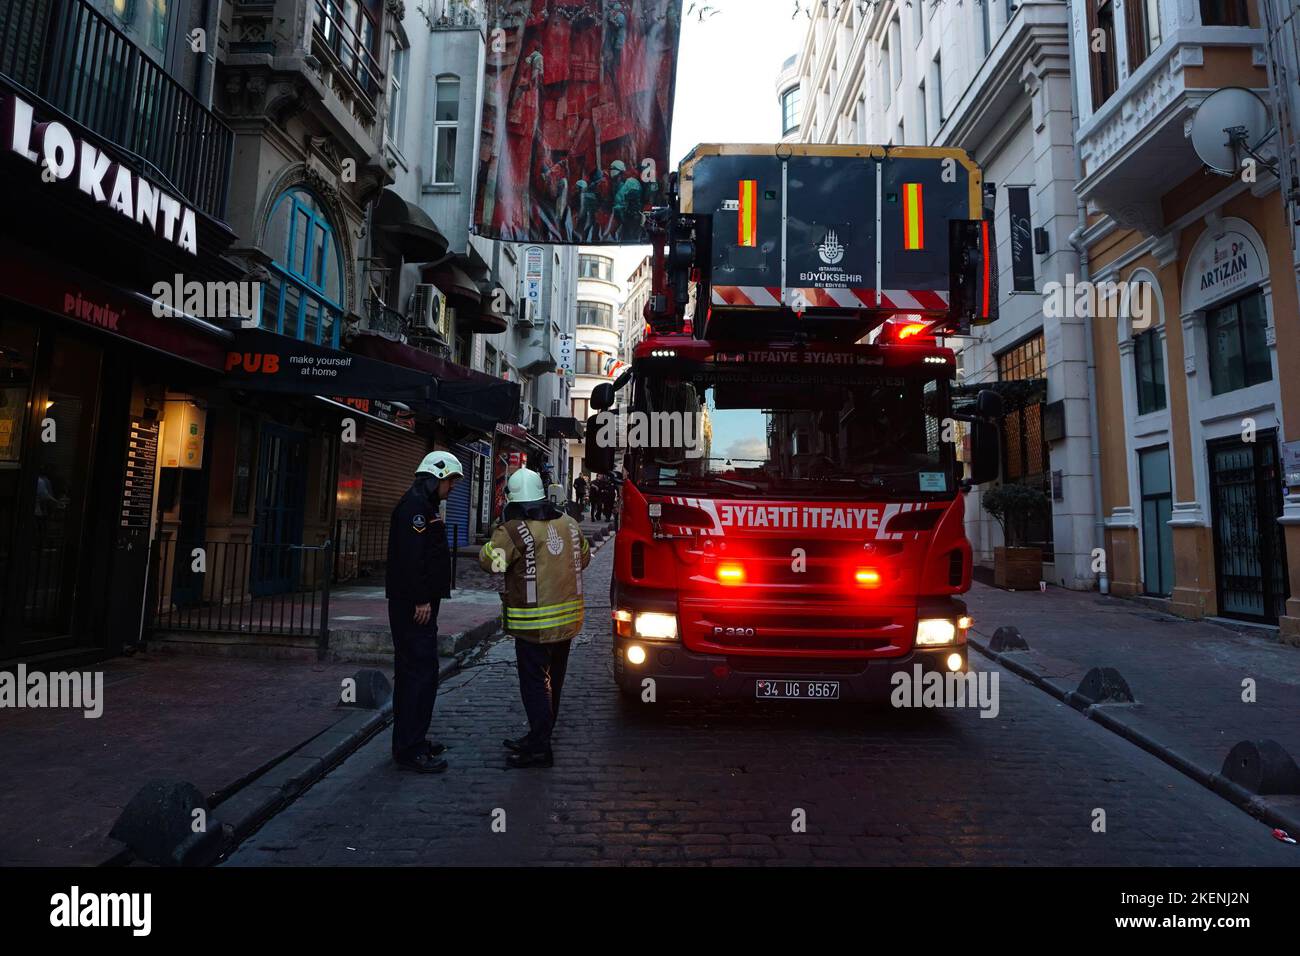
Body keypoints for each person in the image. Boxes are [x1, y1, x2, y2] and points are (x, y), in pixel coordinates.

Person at [479, 468, 590, 768]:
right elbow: (585, 557)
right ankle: (540, 734)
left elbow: (492, 563)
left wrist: (495, 537)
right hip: (567, 624)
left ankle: (540, 746)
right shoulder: (569, 524)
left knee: (535, 684)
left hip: (533, 627)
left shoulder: (514, 530)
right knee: (555, 680)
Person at [385, 451, 463, 773]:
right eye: (450, 482)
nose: (452, 489)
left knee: (418, 673)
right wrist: (420, 600)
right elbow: (412, 559)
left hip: (418, 605)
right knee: (419, 674)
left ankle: (412, 741)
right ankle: (410, 748)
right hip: (413, 607)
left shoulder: (423, 506)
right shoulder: (415, 509)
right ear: (435, 478)